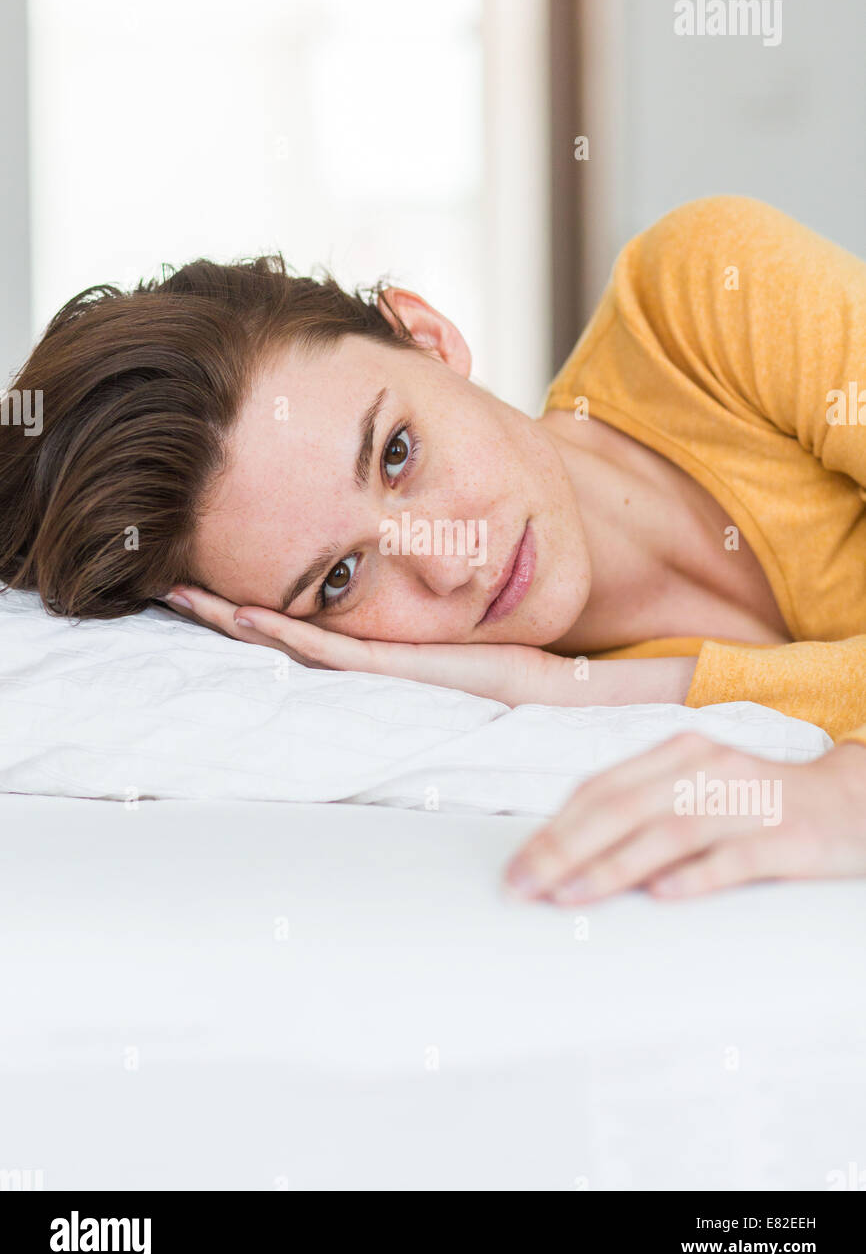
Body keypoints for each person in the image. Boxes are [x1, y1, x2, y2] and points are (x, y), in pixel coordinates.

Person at [2, 195, 864, 902]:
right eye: (339, 579)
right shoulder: (507, 711)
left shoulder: (699, 305)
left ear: (427, 335)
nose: (451, 561)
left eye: (397, 453)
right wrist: (564, 689)